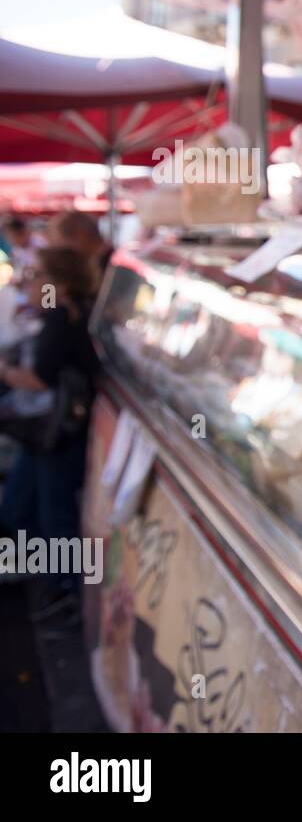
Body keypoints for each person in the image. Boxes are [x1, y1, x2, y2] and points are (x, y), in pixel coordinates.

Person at [0, 247, 100, 622]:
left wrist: (4, 371)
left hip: (59, 435)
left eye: (37, 275)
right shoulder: (58, 312)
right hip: (46, 434)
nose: (30, 281)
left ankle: (68, 592)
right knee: (19, 507)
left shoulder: (63, 316)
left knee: (53, 516)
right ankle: (56, 581)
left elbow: (39, 380)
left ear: (58, 281)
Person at [47, 211, 112, 290]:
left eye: (61, 249)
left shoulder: (112, 265)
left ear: (81, 236)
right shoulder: (103, 262)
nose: (61, 257)